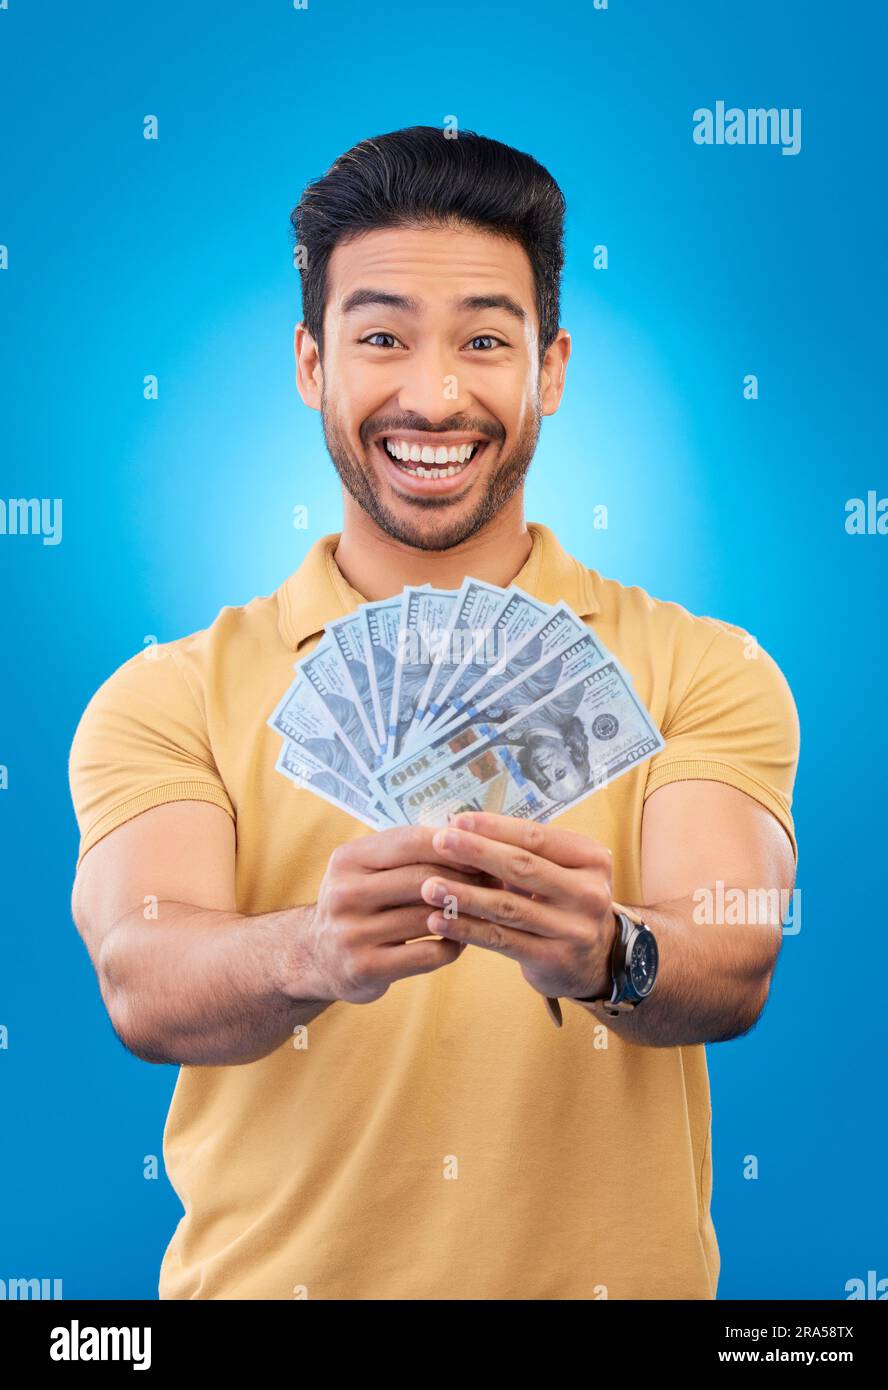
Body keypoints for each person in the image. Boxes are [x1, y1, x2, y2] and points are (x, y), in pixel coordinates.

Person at [68, 126, 799, 1300]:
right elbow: (141, 976)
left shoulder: (701, 668)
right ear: (312, 364)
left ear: (550, 368)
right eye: (381, 338)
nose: (435, 393)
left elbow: (739, 956)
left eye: (484, 341)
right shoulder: (170, 694)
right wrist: (311, 950)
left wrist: (614, 950)